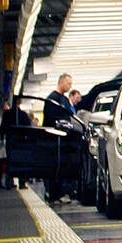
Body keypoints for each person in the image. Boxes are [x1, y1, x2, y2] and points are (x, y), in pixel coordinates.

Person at [42, 73, 73, 202]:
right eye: (68, 83)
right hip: (53, 140)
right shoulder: (51, 99)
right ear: (61, 82)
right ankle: (52, 193)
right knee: (53, 167)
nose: (70, 86)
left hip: (65, 139)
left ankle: (60, 193)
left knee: (63, 167)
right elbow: (49, 119)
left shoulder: (65, 100)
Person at [0, 96, 30, 189]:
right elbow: (28, 129)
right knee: (22, 162)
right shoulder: (23, 115)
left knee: (9, 161)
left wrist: (1, 138)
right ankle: (22, 182)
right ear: (20, 102)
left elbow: (2, 128)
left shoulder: (6, 114)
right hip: (21, 142)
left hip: (10, 140)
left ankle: (9, 182)